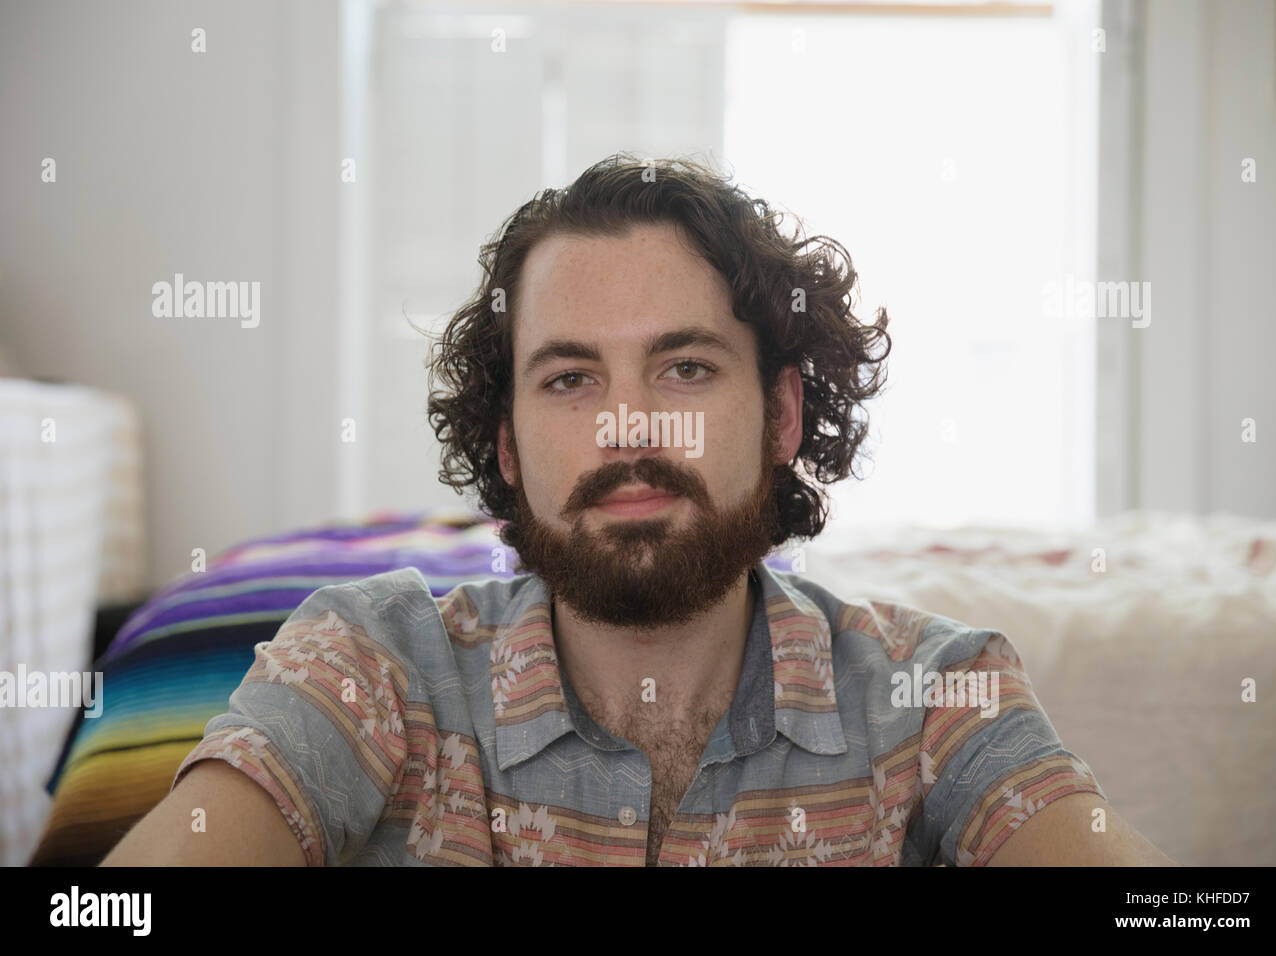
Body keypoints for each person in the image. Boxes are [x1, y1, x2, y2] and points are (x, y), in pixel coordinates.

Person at [103, 154, 1174, 867]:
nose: (628, 431)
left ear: (782, 414)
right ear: (510, 445)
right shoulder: (369, 665)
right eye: (571, 379)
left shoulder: (936, 692)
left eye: (685, 369)